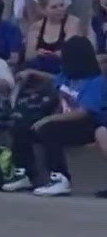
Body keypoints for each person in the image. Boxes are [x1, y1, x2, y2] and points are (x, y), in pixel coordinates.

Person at [7, 37, 107, 196]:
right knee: (21, 126)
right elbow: (54, 79)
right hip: (65, 121)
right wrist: (33, 73)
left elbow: (84, 111)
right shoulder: (68, 75)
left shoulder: (96, 81)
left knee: (49, 130)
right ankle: (25, 173)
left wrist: (49, 119)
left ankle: (61, 178)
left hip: (87, 124)